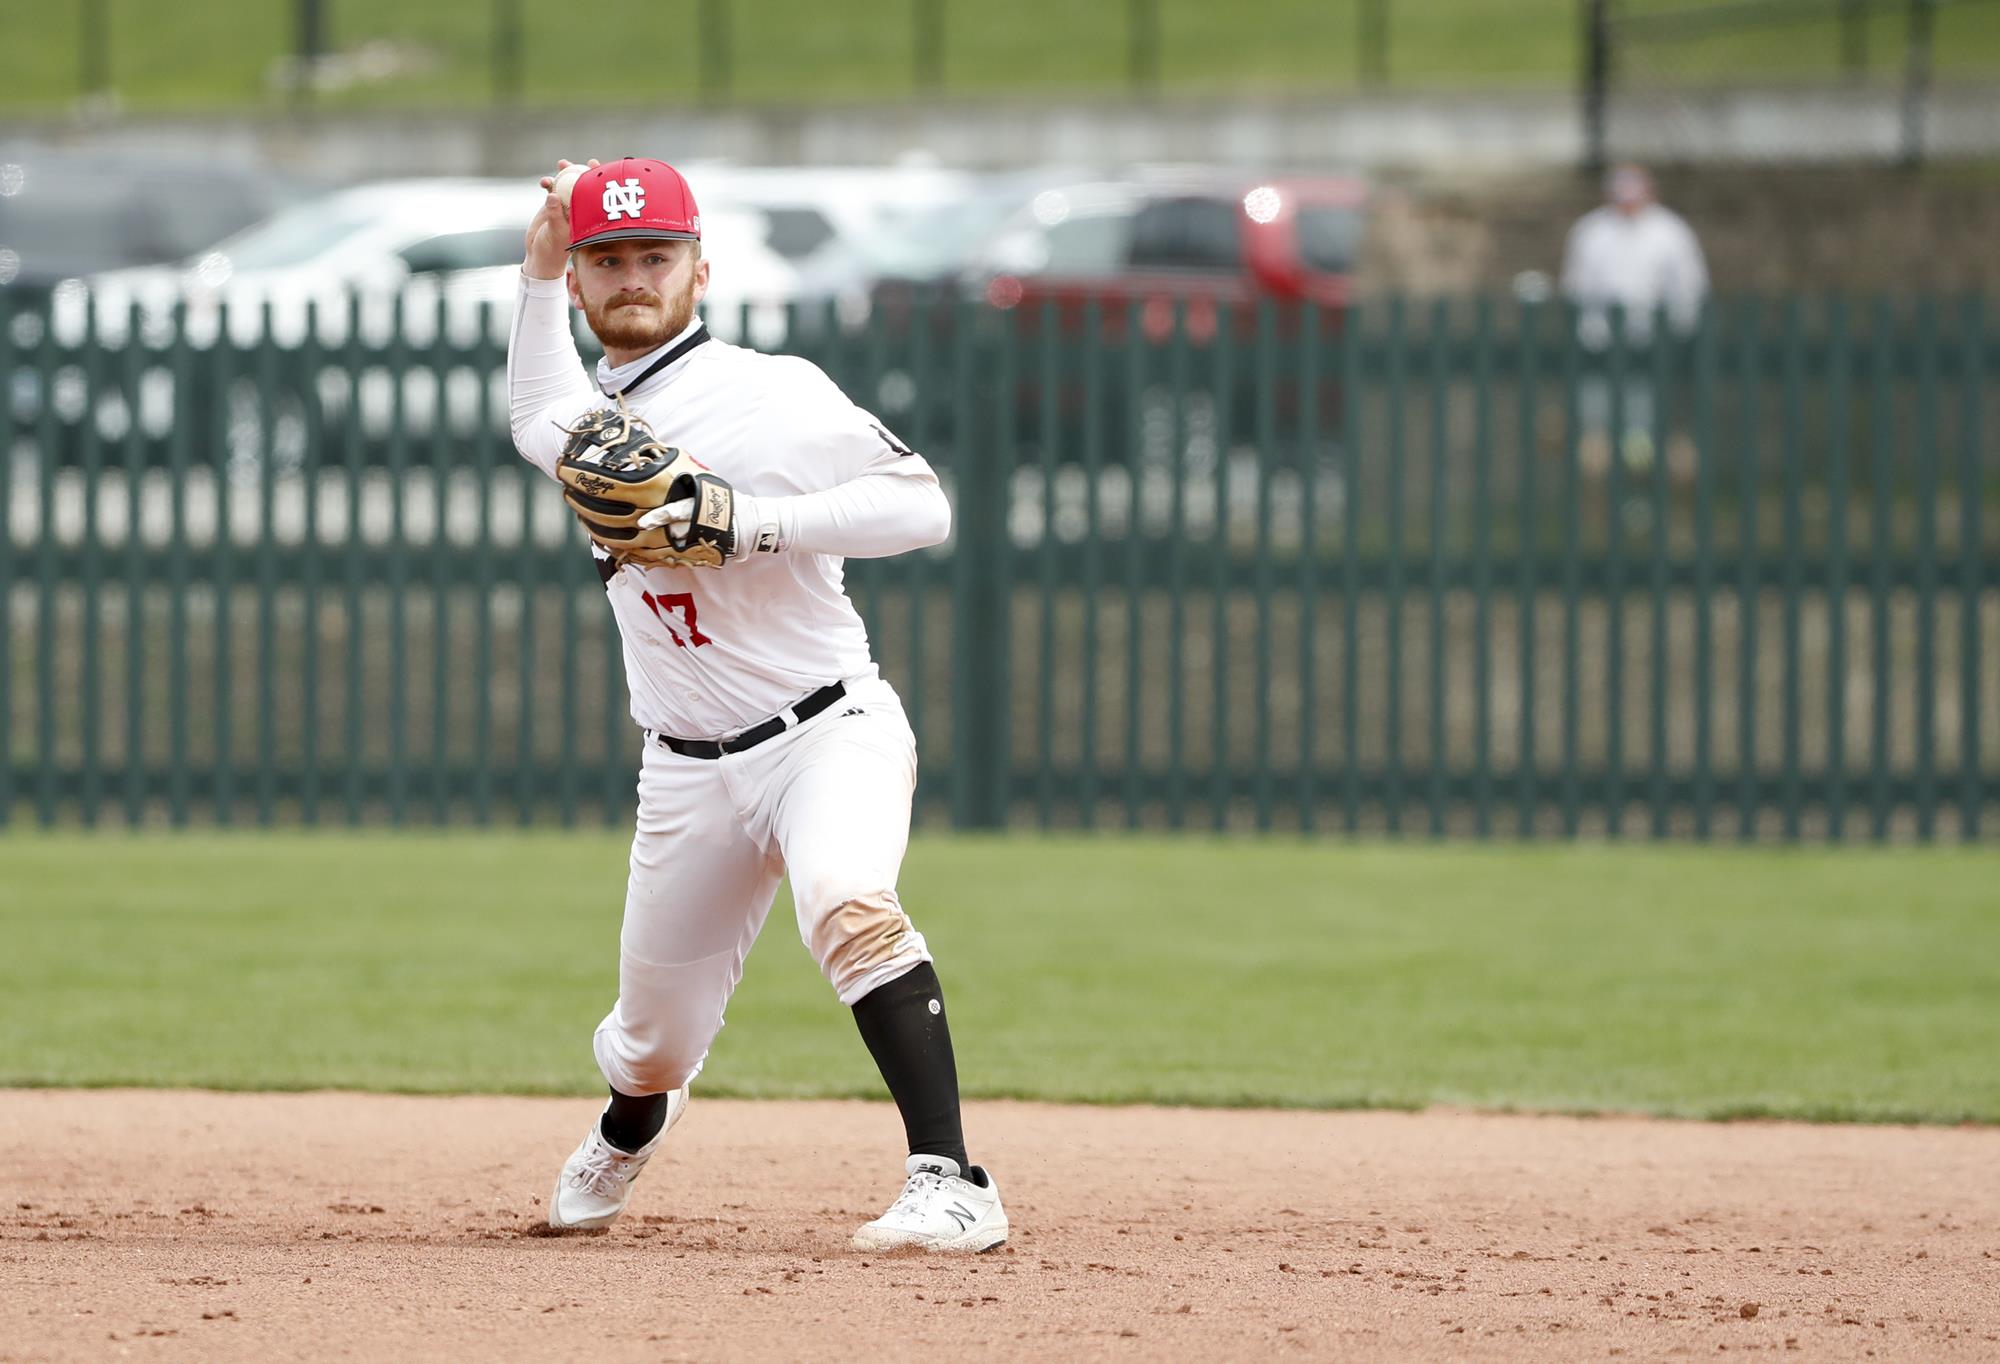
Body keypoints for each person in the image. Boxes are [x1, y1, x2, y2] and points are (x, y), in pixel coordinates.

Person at [506, 156, 1006, 1252]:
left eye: (655, 255)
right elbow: (533, 404)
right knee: (649, 1046)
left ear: (700, 267)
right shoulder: (580, 411)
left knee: (846, 898)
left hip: (827, 726)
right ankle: (631, 1124)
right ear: (582, 282)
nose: (632, 277)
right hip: (686, 764)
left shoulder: (769, 388)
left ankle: (952, 1178)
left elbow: (920, 506)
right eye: (607, 261)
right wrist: (538, 265)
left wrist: (754, 521)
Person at [1559, 163, 1708, 476]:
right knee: (1596, 399)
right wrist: (1588, 327)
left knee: (1645, 399)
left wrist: (1679, 328)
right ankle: (1596, 456)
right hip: (1598, 338)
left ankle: (1639, 458)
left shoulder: (1671, 231)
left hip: (1655, 338)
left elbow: (1688, 284)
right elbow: (1577, 283)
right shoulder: (1591, 231)